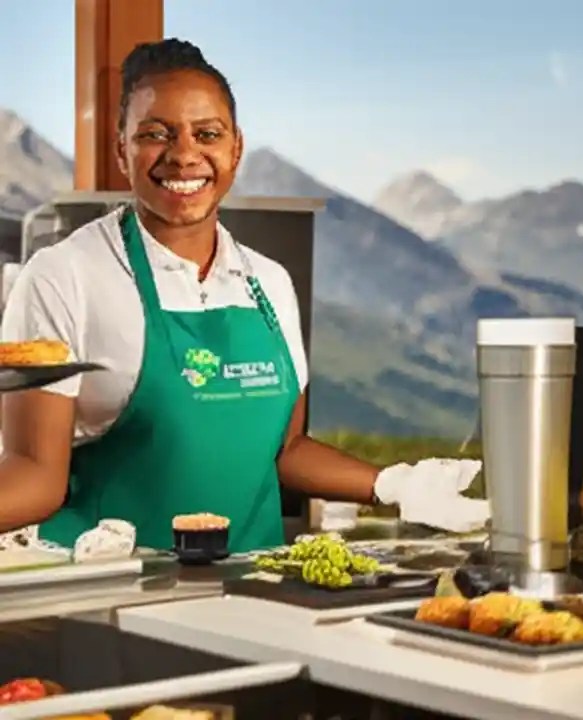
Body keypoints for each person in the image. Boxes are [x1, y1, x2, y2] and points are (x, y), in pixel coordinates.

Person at [0, 39, 486, 552]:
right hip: (109, 599)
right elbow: (34, 473)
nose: (184, 155)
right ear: (122, 149)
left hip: (250, 592)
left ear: (235, 148)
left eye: (207, 134)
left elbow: (286, 449)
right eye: (155, 134)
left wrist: (394, 485)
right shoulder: (63, 277)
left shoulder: (269, 282)